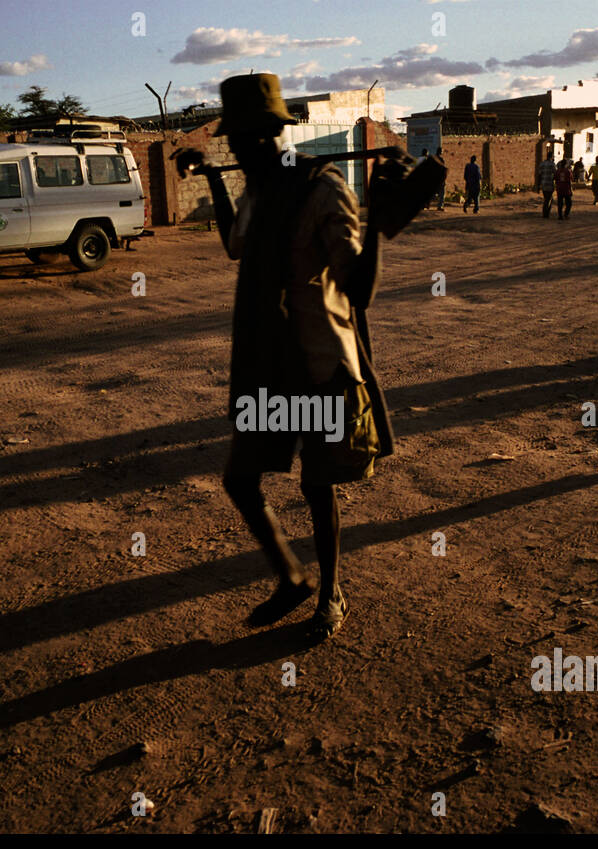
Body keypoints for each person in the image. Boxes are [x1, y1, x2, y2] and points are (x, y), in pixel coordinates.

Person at [186, 73, 394, 639]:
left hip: (320, 366)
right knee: (240, 479)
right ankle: (290, 577)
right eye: (235, 142)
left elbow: (359, 289)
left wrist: (377, 217)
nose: (244, 149)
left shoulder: (320, 187)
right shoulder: (256, 190)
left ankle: (330, 593)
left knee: (316, 484)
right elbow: (235, 246)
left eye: (254, 138)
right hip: (269, 369)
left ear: (278, 133)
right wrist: (214, 181)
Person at [536, 149, 556, 217]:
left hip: (543, 183)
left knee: (546, 198)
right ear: (551, 156)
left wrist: (538, 185)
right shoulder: (552, 164)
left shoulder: (542, 163)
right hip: (550, 183)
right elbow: (555, 173)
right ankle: (546, 213)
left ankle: (545, 212)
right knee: (549, 199)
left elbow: (539, 175)